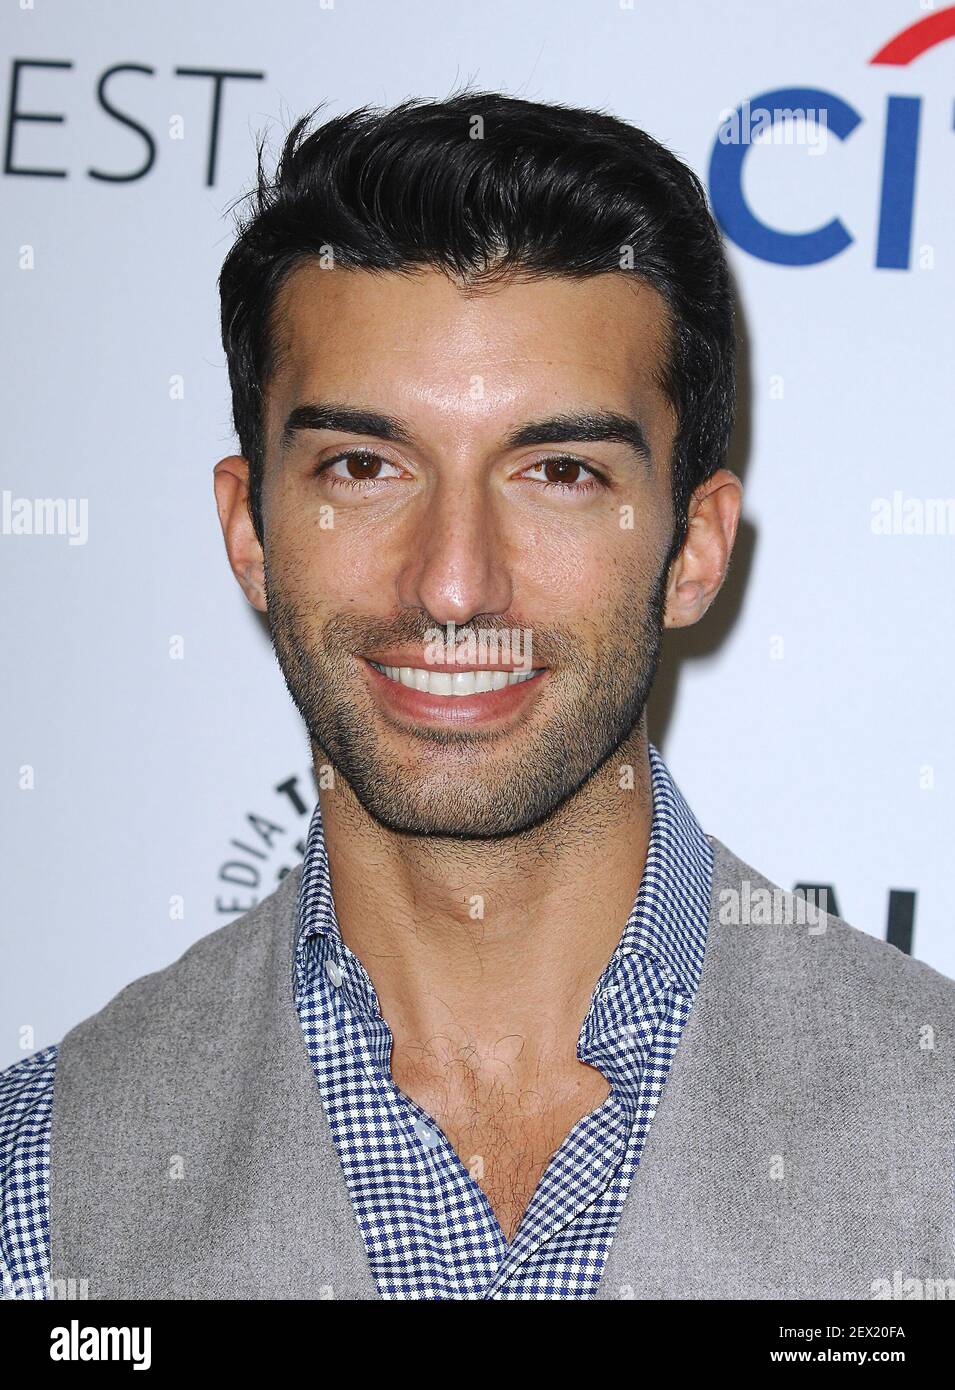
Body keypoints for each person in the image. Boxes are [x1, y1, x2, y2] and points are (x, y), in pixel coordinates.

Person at [3, 92, 953, 1302]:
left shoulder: (936, 1134)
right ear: (249, 530)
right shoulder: (41, 1184)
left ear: (695, 547)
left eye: (558, 471)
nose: (453, 582)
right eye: (364, 465)